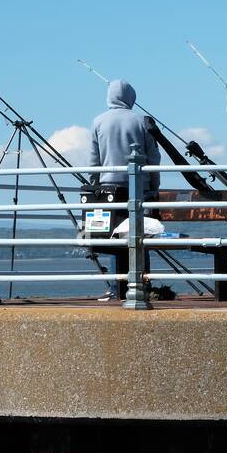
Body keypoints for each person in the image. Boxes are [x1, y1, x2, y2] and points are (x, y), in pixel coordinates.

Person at [89, 79, 162, 299]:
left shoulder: (98, 122)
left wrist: (95, 186)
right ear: (132, 97)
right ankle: (142, 284)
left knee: (115, 237)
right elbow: (153, 158)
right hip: (140, 187)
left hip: (109, 187)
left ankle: (117, 287)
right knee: (140, 237)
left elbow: (94, 160)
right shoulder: (142, 121)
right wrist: (154, 185)